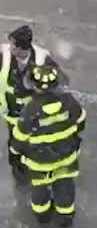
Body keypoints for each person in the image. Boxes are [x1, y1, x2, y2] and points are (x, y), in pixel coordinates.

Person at [11, 61, 86, 225]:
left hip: (40, 162)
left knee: (39, 189)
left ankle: (42, 214)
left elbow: (20, 137)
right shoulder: (69, 102)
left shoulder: (30, 110)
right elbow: (80, 121)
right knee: (65, 185)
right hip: (66, 155)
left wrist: (15, 154)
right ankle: (66, 215)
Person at [0, 25, 53, 180]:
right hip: (11, 112)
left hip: (32, 114)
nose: (10, 48)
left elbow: (57, 81)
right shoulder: (4, 55)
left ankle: (32, 164)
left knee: (33, 141)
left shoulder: (42, 59)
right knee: (14, 141)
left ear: (23, 48)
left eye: (13, 45)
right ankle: (17, 167)